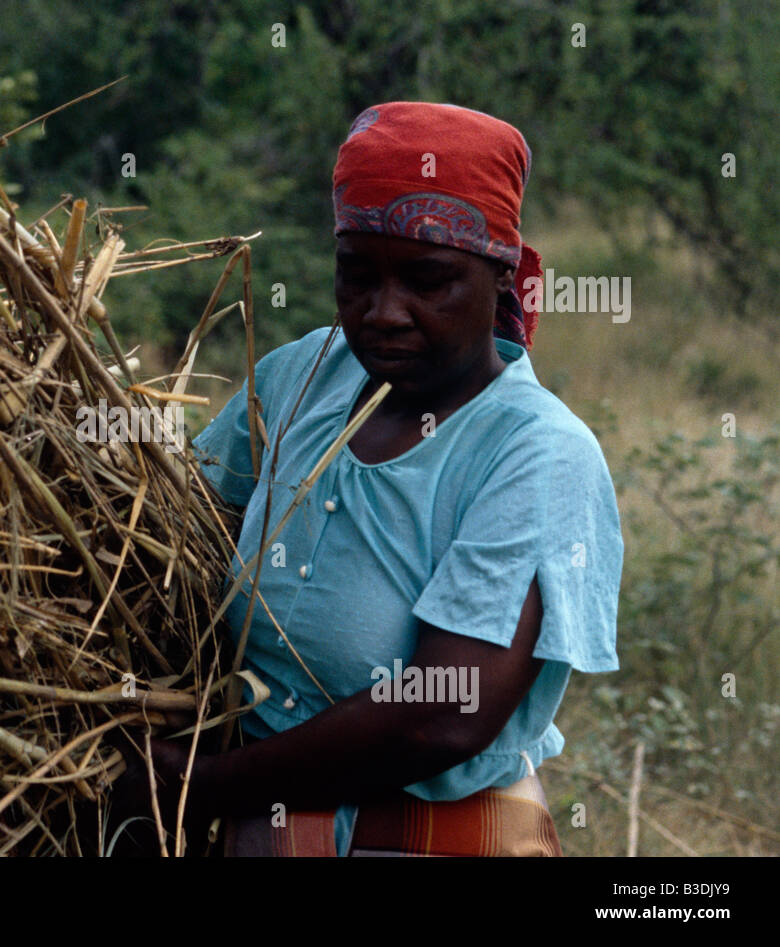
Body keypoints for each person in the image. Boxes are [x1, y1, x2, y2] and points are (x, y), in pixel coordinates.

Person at [124, 102, 622, 856]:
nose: (384, 312)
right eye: (357, 274)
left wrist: (201, 785)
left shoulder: (536, 453)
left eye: (428, 281)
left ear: (500, 278)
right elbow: (177, 536)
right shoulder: (301, 377)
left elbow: (443, 711)